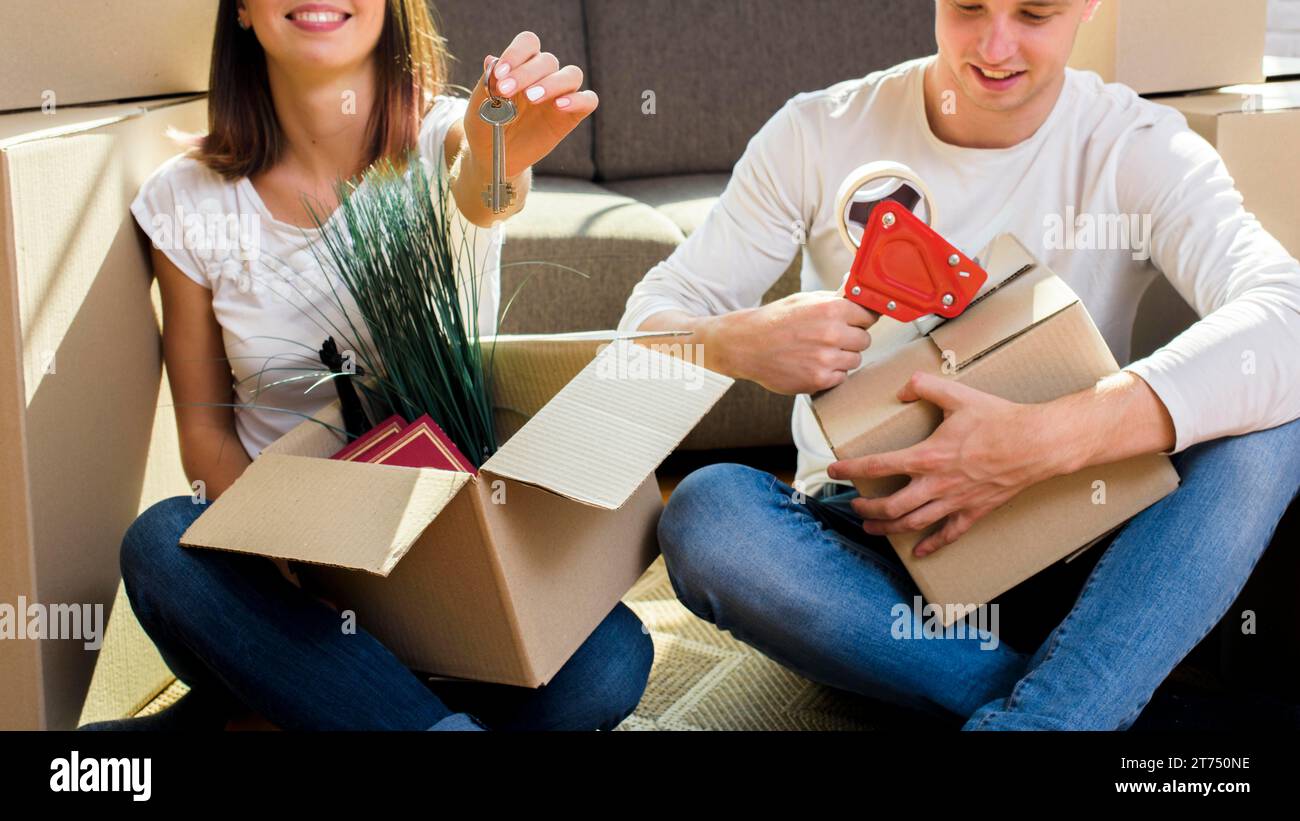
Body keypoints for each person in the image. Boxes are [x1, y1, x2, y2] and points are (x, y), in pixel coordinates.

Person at [625, 0, 1300, 730]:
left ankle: (1043, 712)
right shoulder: (818, 131)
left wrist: (1040, 442)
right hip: (876, 561)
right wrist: (730, 342)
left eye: (1034, 12)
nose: (995, 44)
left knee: (1271, 426)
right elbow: (638, 342)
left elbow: (1287, 318)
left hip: (1077, 534)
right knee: (707, 514)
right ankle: (1081, 699)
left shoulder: (1134, 143)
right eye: (969, 6)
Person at [80, 0, 652, 731]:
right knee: (162, 544)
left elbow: (488, 187)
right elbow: (208, 438)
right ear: (245, 12)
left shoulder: (450, 139)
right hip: (292, 589)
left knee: (610, 661)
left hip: (455, 577)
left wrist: (498, 151)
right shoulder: (185, 200)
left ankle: (266, 712)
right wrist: (299, 571)